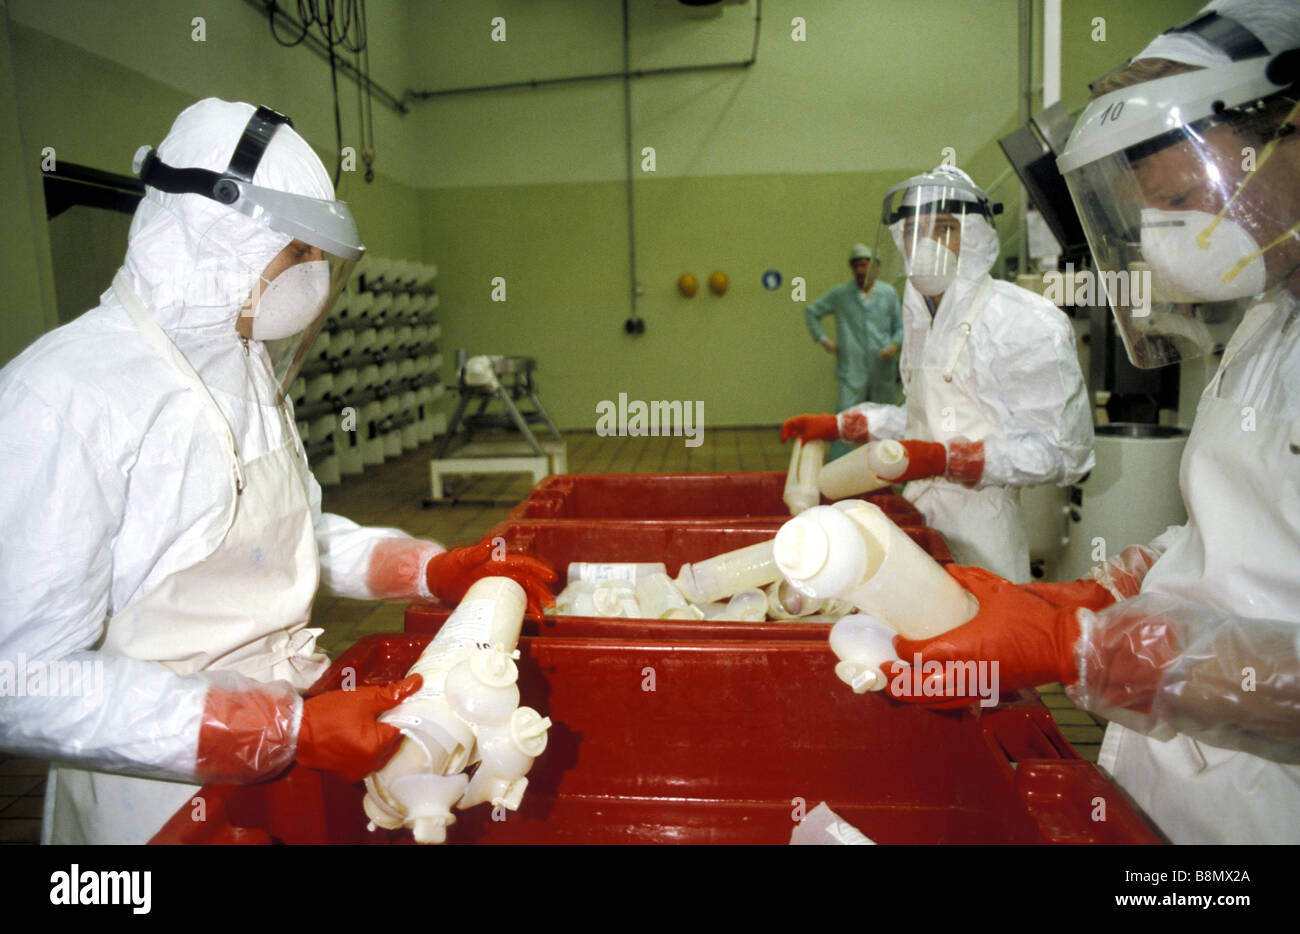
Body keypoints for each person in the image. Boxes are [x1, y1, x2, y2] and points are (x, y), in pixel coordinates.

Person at [0, 99, 555, 845]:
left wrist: (428, 570)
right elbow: (24, 683)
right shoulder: (64, 397)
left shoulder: (240, 361)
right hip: (152, 795)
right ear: (213, 238)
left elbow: (279, 535)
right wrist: (281, 728)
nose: (313, 277)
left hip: (283, 748)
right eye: (298, 251)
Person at [879, 2, 1300, 844]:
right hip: (1176, 769)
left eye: (1187, 197)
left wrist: (1088, 646)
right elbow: (1237, 529)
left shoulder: (1019, 319)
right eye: (1156, 214)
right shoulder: (1270, 320)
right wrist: (1109, 590)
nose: (1174, 237)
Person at [784, 167, 1094, 582]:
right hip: (919, 513)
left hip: (983, 525)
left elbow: (1065, 454)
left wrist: (953, 459)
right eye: (913, 232)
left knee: (983, 636)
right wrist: (845, 424)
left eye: (944, 229)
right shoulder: (920, 315)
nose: (925, 245)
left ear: (976, 235)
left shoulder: (1024, 321)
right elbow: (922, 417)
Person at [803, 245, 903, 461]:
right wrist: (823, 340)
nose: (860, 270)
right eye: (856, 265)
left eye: (865, 265)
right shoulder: (841, 295)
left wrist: (895, 344)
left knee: (887, 421)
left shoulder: (888, 293)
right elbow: (811, 311)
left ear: (876, 268)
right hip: (852, 369)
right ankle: (836, 469)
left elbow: (901, 327)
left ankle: (890, 466)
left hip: (882, 369)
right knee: (844, 422)